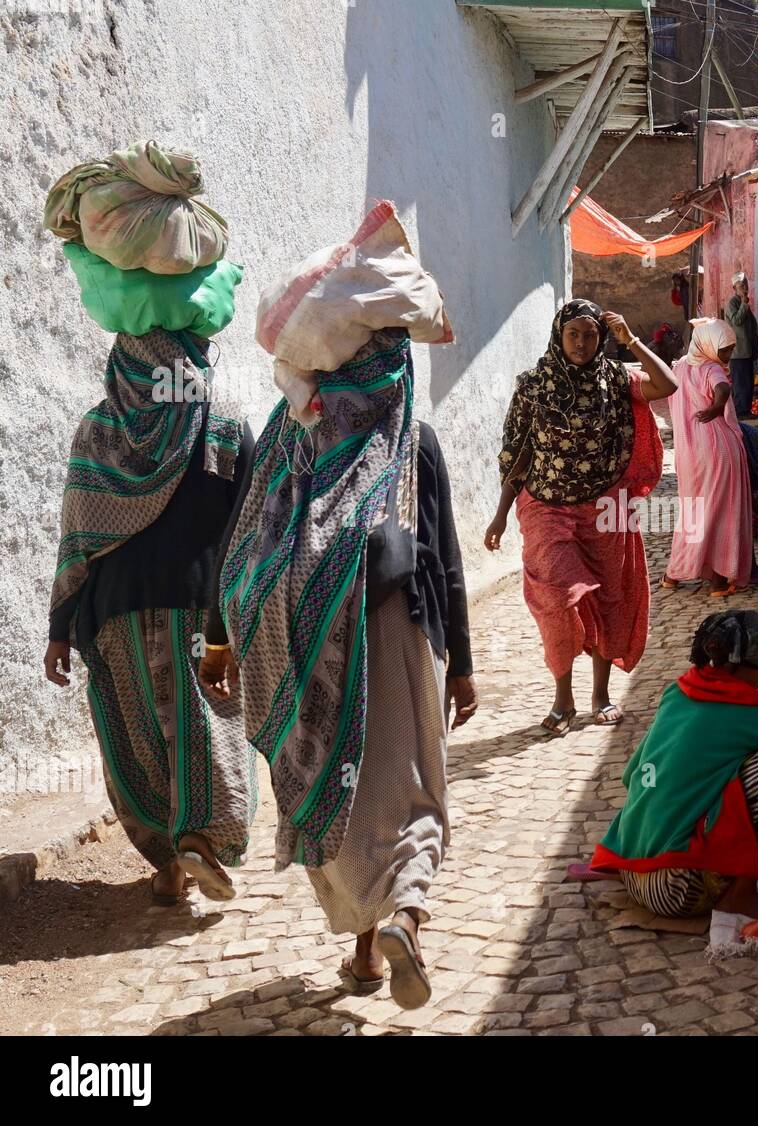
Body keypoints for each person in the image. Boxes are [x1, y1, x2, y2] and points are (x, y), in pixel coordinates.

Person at [208, 322, 477, 1008]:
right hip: (399, 628)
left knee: (340, 791)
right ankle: (407, 918)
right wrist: (463, 663)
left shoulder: (289, 436)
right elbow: (443, 557)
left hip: (301, 649)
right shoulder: (411, 441)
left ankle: (364, 953)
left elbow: (241, 541)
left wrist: (221, 638)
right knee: (413, 786)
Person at [44, 327, 257, 908]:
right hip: (201, 610)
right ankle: (198, 836)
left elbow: (77, 535)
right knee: (207, 729)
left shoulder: (97, 431)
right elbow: (253, 526)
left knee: (138, 739)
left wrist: (59, 628)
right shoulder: (223, 423)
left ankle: (169, 866)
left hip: (113, 613)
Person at [487, 300, 677, 736]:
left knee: (607, 598)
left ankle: (600, 696)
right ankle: (562, 696)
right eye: (573, 333)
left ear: (601, 338)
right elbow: (518, 454)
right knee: (557, 598)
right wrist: (500, 515)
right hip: (546, 505)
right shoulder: (534, 385)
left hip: (603, 506)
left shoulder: (614, 377)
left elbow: (666, 387)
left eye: (590, 334)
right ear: (558, 334)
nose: (581, 342)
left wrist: (631, 341)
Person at [590, 611, 758, 922]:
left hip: (628, 868)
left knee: (705, 779)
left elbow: (632, 774)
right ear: (754, 667)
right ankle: (741, 893)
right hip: (675, 892)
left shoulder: (677, 694)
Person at [663, 318, 754, 596]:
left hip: (689, 455)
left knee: (692, 512)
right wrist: (717, 408)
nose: (727, 356)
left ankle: (673, 575)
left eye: (729, 349)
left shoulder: (679, 367)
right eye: (724, 349)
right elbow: (723, 388)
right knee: (719, 513)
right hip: (718, 450)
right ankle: (716, 580)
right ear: (708, 345)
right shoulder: (711, 367)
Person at [724, 271, 758, 418]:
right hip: (738, 352)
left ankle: (746, 410)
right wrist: (744, 304)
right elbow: (736, 321)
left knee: (748, 383)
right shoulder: (733, 303)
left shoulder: (742, 302)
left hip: (747, 350)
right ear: (734, 288)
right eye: (740, 286)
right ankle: (740, 411)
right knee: (741, 384)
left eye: (745, 285)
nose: (744, 288)